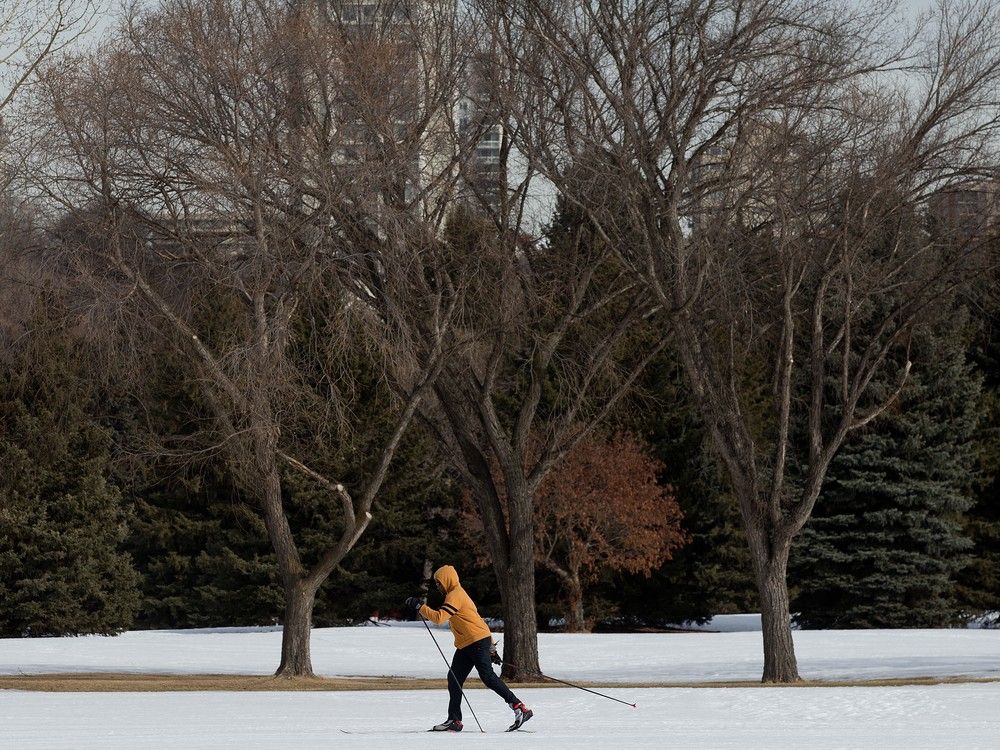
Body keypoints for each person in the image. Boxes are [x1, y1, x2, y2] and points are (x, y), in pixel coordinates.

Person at [405, 564, 533, 732]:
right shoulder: (454, 594)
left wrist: (420, 607)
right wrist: (492, 648)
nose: (438, 586)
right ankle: (454, 720)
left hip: (477, 641)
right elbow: (477, 619)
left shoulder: (455, 595)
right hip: (469, 644)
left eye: (439, 583)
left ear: (447, 580)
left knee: (487, 676)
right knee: (454, 678)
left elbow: (439, 618)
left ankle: (519, 707)